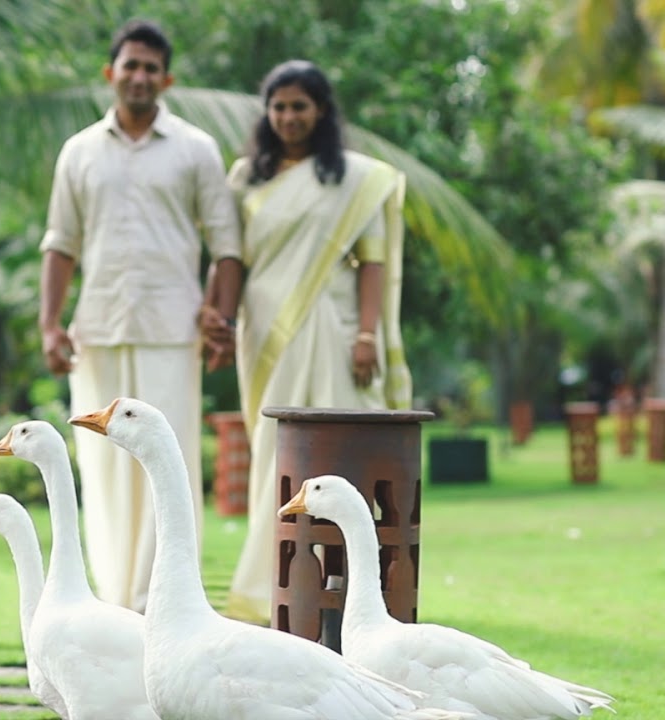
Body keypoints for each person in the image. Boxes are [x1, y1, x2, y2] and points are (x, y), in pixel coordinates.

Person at [39, 19, 243, 612]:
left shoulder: (195, 148)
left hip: (172, 332)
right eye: (130, 65)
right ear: (111, 73)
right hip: (97, 330)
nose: (140, 76)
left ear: (167, 79)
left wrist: (220, 321)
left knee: (167, 464)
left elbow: (226, 244)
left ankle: (162, 602)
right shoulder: (79, 151)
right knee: (103, 471)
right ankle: (113, 601)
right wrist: (50, 323)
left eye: (151, 68)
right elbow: (61, 242)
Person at [213, 59, 412, 624]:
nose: (288, 117)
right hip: (266, 330)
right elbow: (230, 260)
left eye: (299, 106)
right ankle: (271, 585)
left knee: (342, 451)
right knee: (274, 453)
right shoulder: (245, 177)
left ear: (320, 110)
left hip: (335, 324)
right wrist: (219, 321)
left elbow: (371, 263)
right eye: (278, 106)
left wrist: (368, 333)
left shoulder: (352, 178)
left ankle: (351, 587)